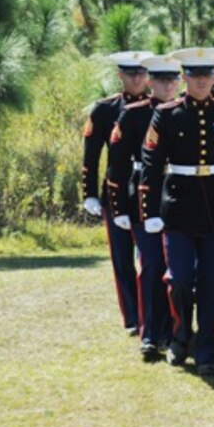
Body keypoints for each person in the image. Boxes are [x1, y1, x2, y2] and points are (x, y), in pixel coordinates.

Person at [140, 47, 214, 375]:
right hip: (179, 208)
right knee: (180, 280)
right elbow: (151, 163)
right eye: (194, 74)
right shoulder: (167, 114)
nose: (201, 80)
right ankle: (181, 336)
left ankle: (208, 349)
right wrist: (149, 209)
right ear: (184, 76)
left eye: (206, 74)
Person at [106, 54, 180, 360]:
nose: (167, 85)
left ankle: (173, 330)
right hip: (144, 199)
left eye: (172, 79)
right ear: (150, 81)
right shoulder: (133, 114)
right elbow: (117, 164)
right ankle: (149, 333)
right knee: (151, 265)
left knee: (177, 270)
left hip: (178, 196)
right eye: (160, 79)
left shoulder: (185, 112)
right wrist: (119, 208)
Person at [81, 50, 152, 336]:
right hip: (117, 192)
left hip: (149, 192)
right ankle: (133, 318)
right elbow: (91, 155)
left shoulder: (160, 107)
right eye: (130, 73)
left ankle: (154, 315)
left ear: (147, 75)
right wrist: (89, 194)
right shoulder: (104, 110)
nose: (136, 78)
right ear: (120, 75)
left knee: (152, 258)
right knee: (122, 258)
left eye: (140, 73)